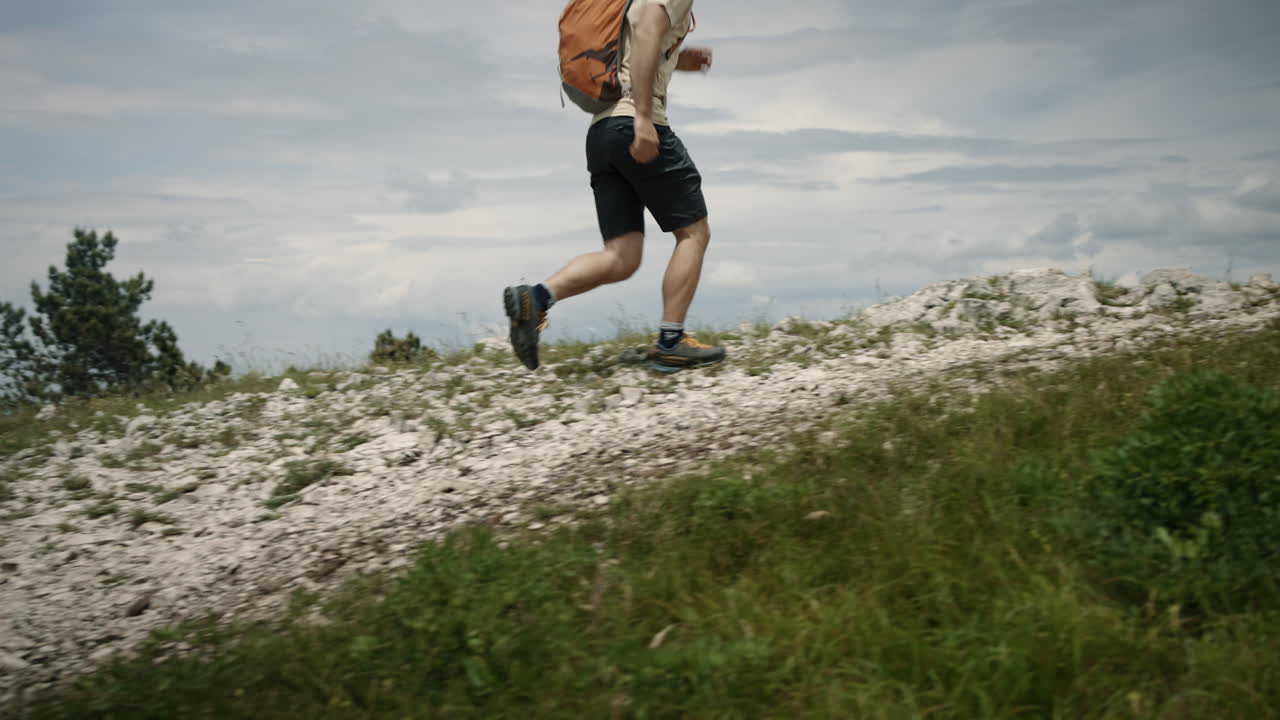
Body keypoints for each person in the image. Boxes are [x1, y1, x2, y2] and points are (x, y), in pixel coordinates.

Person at [504, 0, 725, 374]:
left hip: (602, 132)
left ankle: (535, 299)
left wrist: (677, 61)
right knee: (694, 232)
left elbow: (637, 44)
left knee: (622, 256)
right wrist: (642, 119)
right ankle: (672, 343)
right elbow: (646, 31)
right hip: (633, 122)